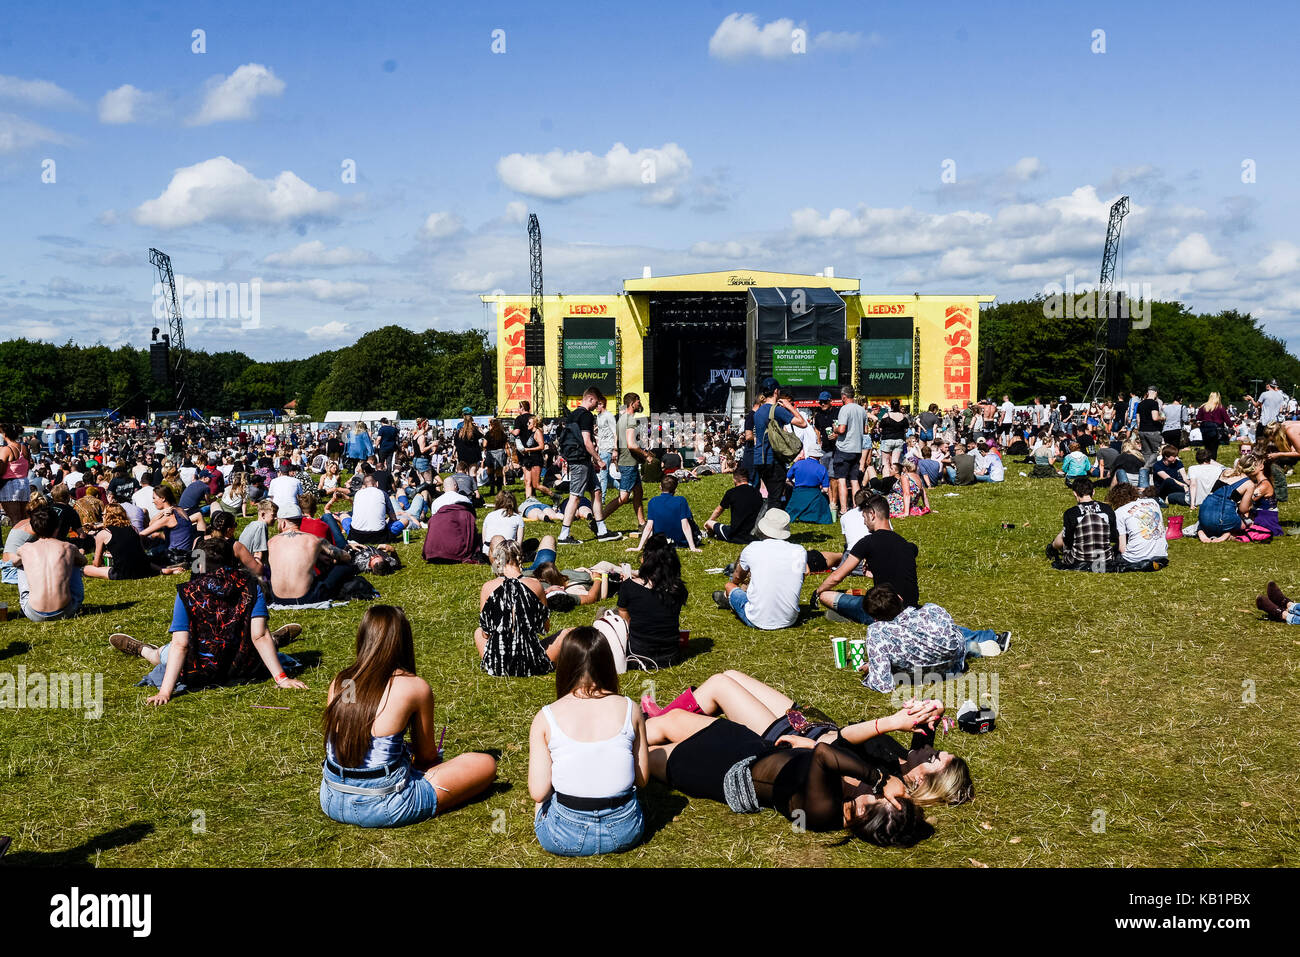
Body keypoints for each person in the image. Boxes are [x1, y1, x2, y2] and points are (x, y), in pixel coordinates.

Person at [642, 670, 974, 806]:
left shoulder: (886, 780)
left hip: (785, 737)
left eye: (934, 759)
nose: (932, 750)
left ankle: (660, 721)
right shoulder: (909, 759)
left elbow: (838, 745)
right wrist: (934, 709)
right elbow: (925, 731)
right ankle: (667, 720)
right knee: (730, 675)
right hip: (807, 722)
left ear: (923, 782)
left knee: (719, 685)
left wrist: (888, 723)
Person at [645, 709, 931, 846]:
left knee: (646, 757)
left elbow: (824, 757)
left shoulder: (822, 813)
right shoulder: (850, 800)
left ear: (862, 815)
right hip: (754, 748)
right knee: (672, 720)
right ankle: (610, 724)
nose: (875, 791)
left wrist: (881, 778)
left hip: (723, 772)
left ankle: (604, 749)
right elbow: (818, 757)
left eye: (876, 798)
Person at [321, 605, 497, 827]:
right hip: (386, 803)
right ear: (402, 641)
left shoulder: (343, 682)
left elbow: (348, 736)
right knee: (485, 764)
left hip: (332, 797)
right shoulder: (413, 687)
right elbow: (426, 758)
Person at [108, 536, 307, 705]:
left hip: (199, 668)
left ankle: (146, 651)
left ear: (199, 562)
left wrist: (165, 692)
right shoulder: (250, 586)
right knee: (266, 641)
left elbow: (181, 644)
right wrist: (282, 679)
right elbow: (259, 635)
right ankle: (276, 640)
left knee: (165, 654)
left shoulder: (188, 591)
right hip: (241, 664)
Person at [528, 626, 649, 856]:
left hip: (564, 835)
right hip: (625, 830)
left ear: (563, 666)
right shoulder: (630, 708)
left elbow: (538, 791)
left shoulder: (546, 717)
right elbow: (642, 779)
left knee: (542, 801)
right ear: (608, 664)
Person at [853, 584, 1010, 693]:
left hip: (919, 674)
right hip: (953, 666)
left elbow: (883, 685)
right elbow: (953, 633)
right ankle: (974, 647)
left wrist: (874, 668)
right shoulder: (932, 609)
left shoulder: (877, 631)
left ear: (875, 618)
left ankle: (973, 648)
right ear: (900, 598)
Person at [814, 495, 918, 623]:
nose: (864, 522)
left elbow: (837, 576)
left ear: (872, 514)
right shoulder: (906, 545)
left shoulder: (867, 543)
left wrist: (817, 592)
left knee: (825, 596)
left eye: (864, 517)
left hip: (885, 610)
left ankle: (852, 615)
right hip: (911, 608)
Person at [475, 539, 570, 676]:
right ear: (520, 558)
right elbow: (545, 628)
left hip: (498, 664)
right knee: (567, 633)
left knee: (478, 632)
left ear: (497, 560)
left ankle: (495, 660)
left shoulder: (488, 587)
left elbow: (486, 632)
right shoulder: (535, 584)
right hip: (531, 661)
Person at [712, 509, 805, 630]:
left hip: (756, 619)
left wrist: (734, 586)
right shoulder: (799, 551)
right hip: (790, 619)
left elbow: (737, 577)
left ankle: (728, 597)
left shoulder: (753, 548)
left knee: (729, 586)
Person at [556, 387, 620, 545]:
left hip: (582, 460)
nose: (596, 406)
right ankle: (564, 535)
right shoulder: (585, 415)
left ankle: (602, 531)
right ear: (590, 399)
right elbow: (586, 441)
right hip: (580, 461)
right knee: (575, 497)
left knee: (596, 492)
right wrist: (598, 459)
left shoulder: (572, 415)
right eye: (596, 403)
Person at [616, 533, 689, 668]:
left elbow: (625, 621)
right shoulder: (679, 590)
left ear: (645, 560)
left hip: (637, 656)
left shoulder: (629, 587)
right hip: (670, 657)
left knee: (611, 613)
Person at [13, 505, 85, 621]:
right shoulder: (68, 547)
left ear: (33, 528)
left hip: (33, 613)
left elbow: (14, 563)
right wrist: (77, 554)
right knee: (75, 562)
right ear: (57, 526)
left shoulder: (25, 548)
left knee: (20, 565)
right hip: (66, 611)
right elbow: (83, 562)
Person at [266, 513, 358, 604]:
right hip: (307, 598)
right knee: (344, 567)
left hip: (278, 599)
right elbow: (345, 557)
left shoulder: (271, 542)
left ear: (283, 523)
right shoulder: (314, 540)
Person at [752, 377, 808, 507]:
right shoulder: (777, 410)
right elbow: (803, 423)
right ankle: (771, 525)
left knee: (772, 494)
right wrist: (789, 407)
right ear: (776, 391)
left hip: (760, 458)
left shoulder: (758, 412)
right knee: (775, 498)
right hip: (773, 460)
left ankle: (762, 524)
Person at [1048, 476, 1118, 571]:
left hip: (1078, 560)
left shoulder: (1071, 513)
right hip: (1105, 559)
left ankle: (1052, 547)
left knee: (1063, 534)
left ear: (1075, 494)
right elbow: (1114, 536)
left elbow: (1068, 541)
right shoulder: (1107, 509)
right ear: (1093, 492)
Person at [602, 392, 651, 530]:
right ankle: (598, 520)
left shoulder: (621, 419)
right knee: (623, 498)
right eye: (638, 401)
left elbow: (616, 437)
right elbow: (631, 444)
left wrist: (616, 451)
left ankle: (642, 523)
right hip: (629, 463)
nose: (639, 404)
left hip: (627, 462)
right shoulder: (630, 420)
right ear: (632, 403)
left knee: (638, 492)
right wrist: (646, 455)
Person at [83, 504, 158, 580]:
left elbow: (96, 564)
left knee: (86, 569)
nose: (102, 516)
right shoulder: (133, 528)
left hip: (123, 573)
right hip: (144, 570)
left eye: (103, 514)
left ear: (108, 516)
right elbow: (141, 553)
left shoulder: (103, 534)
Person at [831, 385, 868, 521]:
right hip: (857, 448)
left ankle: (844, 510)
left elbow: (841, 429)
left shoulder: (844, 409)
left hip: (844, 448)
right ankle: (857, 508)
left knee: (841, 479)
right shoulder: (861, 410)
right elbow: (865, 430)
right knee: (854, 480)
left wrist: (835, 429)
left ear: (844, 396)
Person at [636, 474, 700, 551]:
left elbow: (649, 526)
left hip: (660, 542)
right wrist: (692, 547)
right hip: (680, 542)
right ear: (675, 489)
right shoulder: (681, 500)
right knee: (690, 521)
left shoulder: (653, 501)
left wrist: (639, 547)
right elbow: (685, 524)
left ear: (660, 487)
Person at [703, 468, 763, 544]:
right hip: (752, 535)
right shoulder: (757, 493)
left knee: (710, 523)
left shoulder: (731, 492)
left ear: (734, 479)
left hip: (735, 535)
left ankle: (708, 534)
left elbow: (718, 510)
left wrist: (709, 521)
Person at [0, 422, 34, 527]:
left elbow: (1, 471)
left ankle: (18, 542)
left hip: (10, 485)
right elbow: (28, 466)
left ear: (5, 435)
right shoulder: (24, 448)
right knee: (24, 518)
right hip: (24, 482)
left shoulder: (6, 449)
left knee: (15, 520)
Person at [784, 453, 833, 524]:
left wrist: (795, 486)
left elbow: (787, 480)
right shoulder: (821, 468)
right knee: (823, 499)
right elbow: (825, 489)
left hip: (798, 494)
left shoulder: (798, 464)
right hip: (814, 494)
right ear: (819, 457)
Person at [349, 475, 396, 544]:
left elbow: (353, 515)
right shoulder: (382, 493)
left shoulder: (357, 494)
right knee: (404, 521)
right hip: (379, 536)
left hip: (357, 536)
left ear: (364, 486)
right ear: (377, 484)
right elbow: (393, 517)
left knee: (344, 517)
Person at [481, 490, 527, 557]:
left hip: (488, 551)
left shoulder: (489, 515)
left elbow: (484, 540)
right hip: (507, 551)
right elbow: (519, 543)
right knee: (532, 542)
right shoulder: (517, 517)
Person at [1195, 392, 1231, 463]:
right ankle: (1212, 463)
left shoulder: (1203, 407)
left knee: (1207, 447)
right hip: (1216, 430)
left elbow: (1198, 417)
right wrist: (1231, 426)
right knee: (1214, 448)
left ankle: (1206, 461)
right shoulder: (1220, 408)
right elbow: (1227, 420)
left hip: (1205, 430)